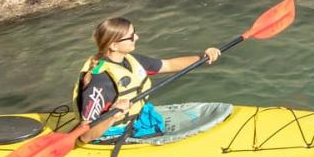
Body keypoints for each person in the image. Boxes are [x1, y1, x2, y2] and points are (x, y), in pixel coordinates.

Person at [73, 16, 222, 143]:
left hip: (135, 120)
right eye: (131, 36)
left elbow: (168, 65)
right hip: (111, 133)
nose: (136, 37)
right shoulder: (100, 82)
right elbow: (85, 136)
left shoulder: (131, 60)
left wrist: (203, 57)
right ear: (114, 45)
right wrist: (112, 116)